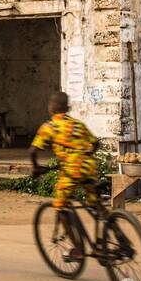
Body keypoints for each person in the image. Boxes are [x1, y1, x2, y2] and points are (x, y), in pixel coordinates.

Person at [29, 91, 99, 261]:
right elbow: (95, 143)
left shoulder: (50, 127)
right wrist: (86, 154)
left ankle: (79, 250)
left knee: (61, 208)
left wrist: (37, 168)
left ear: (51, 108)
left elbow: (33, 150)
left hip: (70, 171)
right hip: (89, 167)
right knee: (96, 206)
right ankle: (109, 229)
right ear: (67, 108)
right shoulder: (78, 124)